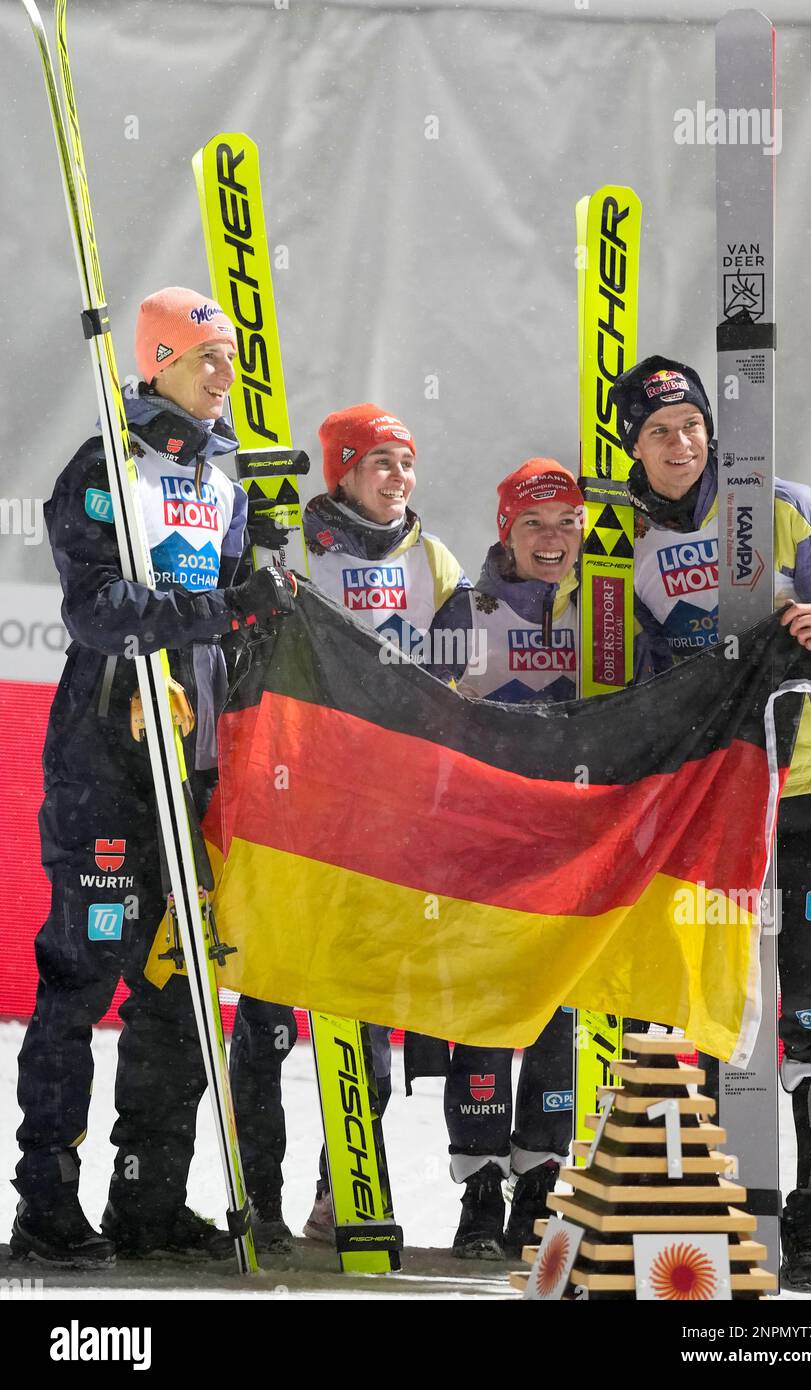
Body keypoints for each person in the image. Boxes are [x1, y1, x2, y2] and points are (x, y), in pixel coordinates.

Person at [11, 287, 295, 1267]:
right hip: (105, 768)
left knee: (174, 995)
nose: (224, 375)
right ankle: (45, 1206)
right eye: (205, 358)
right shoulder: (103, 465)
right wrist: (219, 607)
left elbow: (231, 613)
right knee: (80, 985)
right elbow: (98, 611)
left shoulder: (226, 470)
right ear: (158, 359)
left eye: (228, 358)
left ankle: (147, 1200)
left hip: (199, 769)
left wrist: (258, 605)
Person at [611, 354, 811, 1294]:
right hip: (711, 807)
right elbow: (620, 682)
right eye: (660, 432)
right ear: (632, 445)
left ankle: (810, 1224)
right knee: (700, 1007)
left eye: (693, 427)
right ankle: (704, 1209)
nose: (683, 445)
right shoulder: (620, 542)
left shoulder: (784, 505)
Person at [228, 402, 468, 1247]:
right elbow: (247, 657)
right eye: (379, 463)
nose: (398, 478)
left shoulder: (433, 560)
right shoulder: (293, 548)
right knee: (266, 1016)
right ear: (341, 472)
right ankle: (257, 1194)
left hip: (385, 819)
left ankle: (346, 1189)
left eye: (406, 462)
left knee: (365, 1009)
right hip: (291, 812)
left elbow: (454, 689)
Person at [427, 458, 585, 1259]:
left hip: (576, 845)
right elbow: (421, 711)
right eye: (534, 524)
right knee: (486, 1016)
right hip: (488, 842)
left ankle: (540, 1185)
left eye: (566, 522)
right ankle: (480, 1189)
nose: (552, 538)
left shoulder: (609, 601)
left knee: (559, 1016)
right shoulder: (469, 606)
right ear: (506, 532)